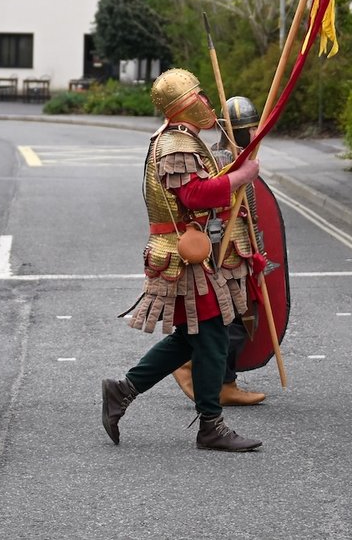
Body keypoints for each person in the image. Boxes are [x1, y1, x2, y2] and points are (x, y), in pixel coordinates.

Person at [101, 68, 263, 452]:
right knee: (211, 336)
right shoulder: (176, 143)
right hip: (183, 255)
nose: (208, 103)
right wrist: (241, 176)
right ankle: (211, 425)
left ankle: (123, 390)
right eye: (200, 98)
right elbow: (194, 196)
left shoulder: (182, 139)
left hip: (188, 252)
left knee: (194, 336)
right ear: (187, 106)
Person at [170, 95, 269, 408]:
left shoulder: (243, 157)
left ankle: (222, 379)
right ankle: (211, 377)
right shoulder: (218, 160)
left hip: (238, 249)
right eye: (246, 130)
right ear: (231, 131)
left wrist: (258, 254)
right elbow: (209, 202)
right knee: (229, 321)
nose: (252, 135)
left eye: (254, 129)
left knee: (233, 319)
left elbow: (251, 213)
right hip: (218, 250)